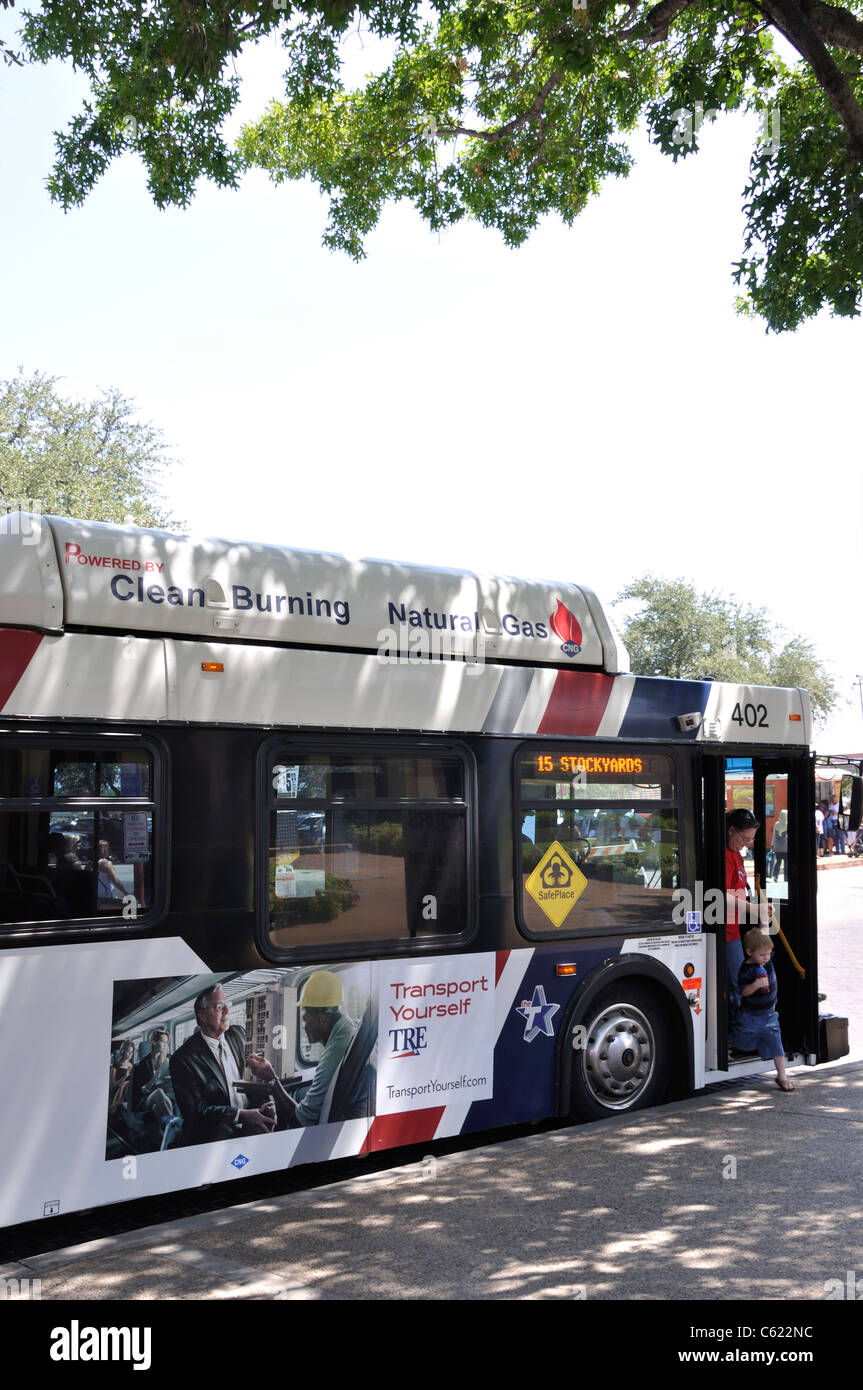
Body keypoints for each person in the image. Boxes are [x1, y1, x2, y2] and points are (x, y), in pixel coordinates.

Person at [247, 971, 361, 1128]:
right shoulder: (349, 1029)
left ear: (322, 1017)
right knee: (298, 1094)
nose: (303, 1025)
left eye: (305, 1015)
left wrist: (272, 1080)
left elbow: (301, 1120)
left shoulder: (336, 1051)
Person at [169, 985, 276, 1145]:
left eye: (228, 1005)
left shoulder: (239, 1034)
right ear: (203, 1016)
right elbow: (197, 1112)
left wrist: (268, 1104)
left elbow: (255, 1077)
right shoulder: (183, 1059)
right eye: (220, 1007)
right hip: (216, 1135)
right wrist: (241, 1115)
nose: (227, 1010)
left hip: (253, 1125)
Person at [729, 928, 794, 1091]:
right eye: (762, 955)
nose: (766, 958)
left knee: (776, 1045)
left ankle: (782, 1075)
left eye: (768, 954)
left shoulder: (768, 962)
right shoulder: (746, 969)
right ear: (749, 952)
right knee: (742, 1040)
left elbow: (764, 932)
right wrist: (755, 985)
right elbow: (743, 992)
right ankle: (726, 1044)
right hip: (750, 1015)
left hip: (770, 1014)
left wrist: (764, 915)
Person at [725, 809, 769, 1024]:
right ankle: (735, 1036)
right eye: (745, 838)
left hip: (734, 928)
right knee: (736, 985)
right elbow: (721, 895)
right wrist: (754, 909)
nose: (748, 843)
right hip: (724, 931)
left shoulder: (736, 856)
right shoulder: (725, 856)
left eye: (751, 839)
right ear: (731, 830)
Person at [770, 810, 788, 882]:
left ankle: (775, 875)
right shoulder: (787, 824)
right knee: (786, 863)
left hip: (777, 846)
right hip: (786, 846)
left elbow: (773, 836)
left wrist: (772, 845)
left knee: (778, 862)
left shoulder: (776, 824)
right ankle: (786, 878)